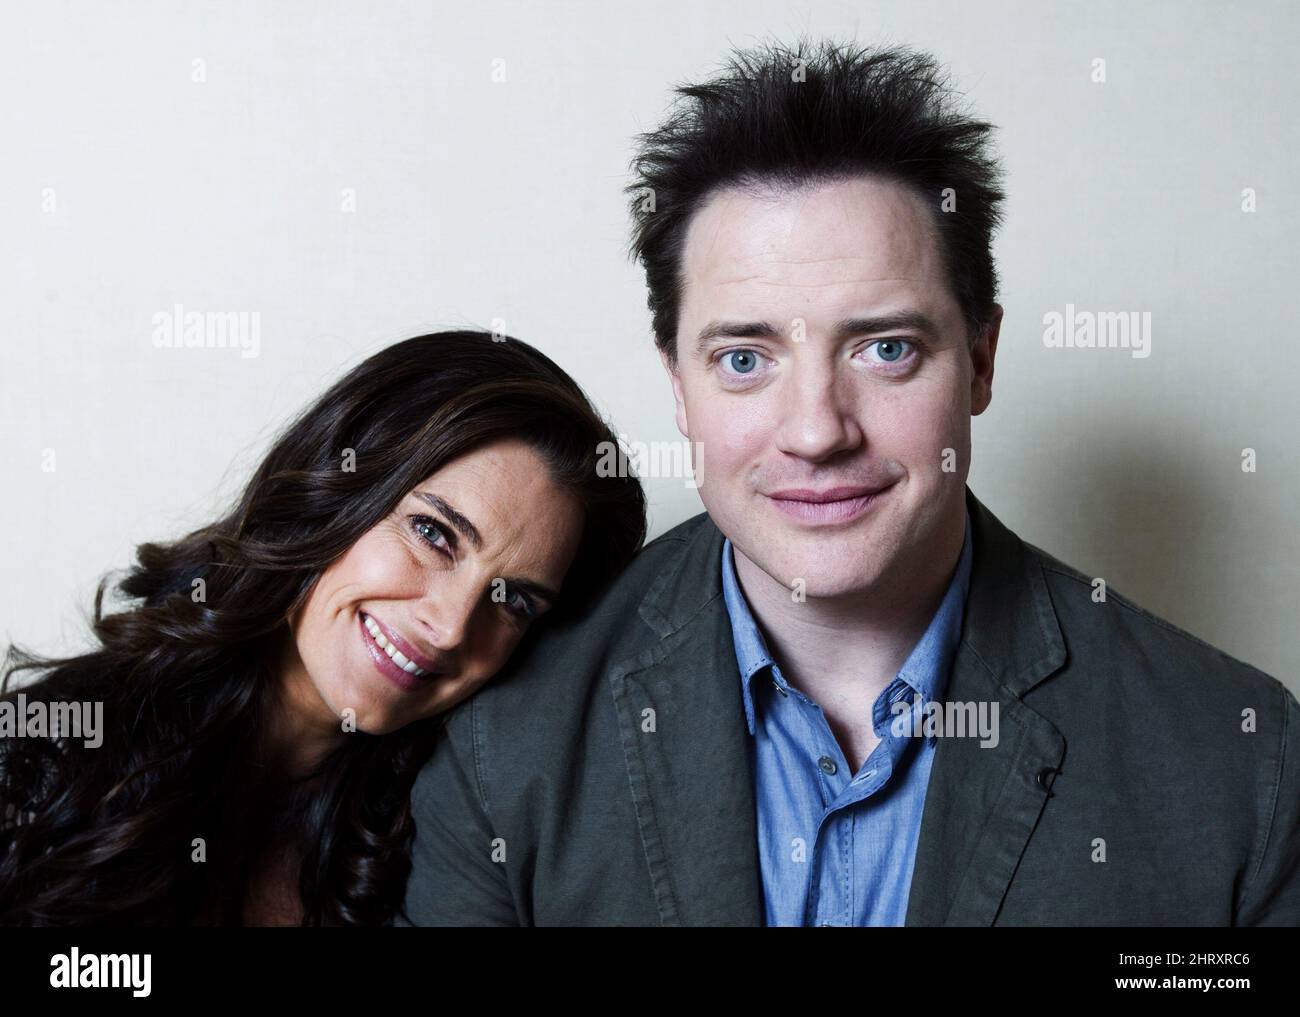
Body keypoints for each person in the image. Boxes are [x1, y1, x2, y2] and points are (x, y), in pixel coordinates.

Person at [398, 40, 1300, 926]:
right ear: (679, 386)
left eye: (887, 348)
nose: (816, 430)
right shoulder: (503, 742)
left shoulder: (1239, 761)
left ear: (981, 361)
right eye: (745, 358)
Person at [0, 330, 646, 925]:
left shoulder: (443, 852)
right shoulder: (46, 762)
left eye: (513, 602)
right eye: (433, 533)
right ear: (332, 494)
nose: (450, 627)